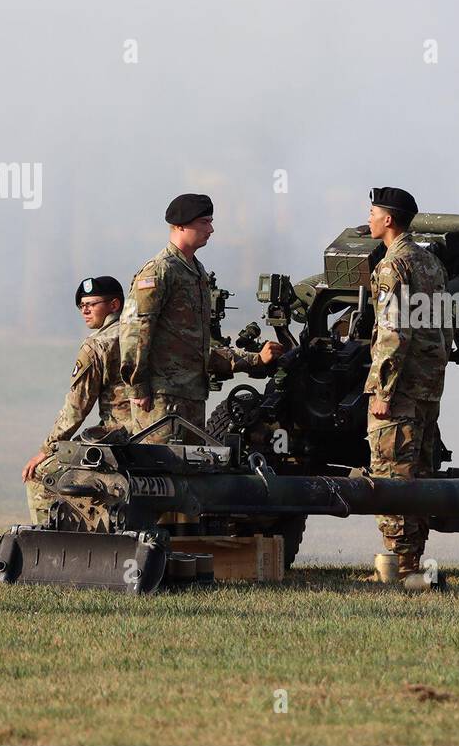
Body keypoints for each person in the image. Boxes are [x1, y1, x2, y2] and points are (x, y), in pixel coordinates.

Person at [119, 193, 282, 444]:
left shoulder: (196, 271)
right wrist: (137, 387)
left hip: (192, 396)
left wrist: (255, 360)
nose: (211, 229)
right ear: (180, 225)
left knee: (191, 476)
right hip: (162, 399)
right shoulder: (159, 272)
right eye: (204, 222)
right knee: (160, 473)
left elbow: (198, 345)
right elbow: (135, 332)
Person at [364, 187, 449, 584]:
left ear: (389, 221)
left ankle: (397, 567)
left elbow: (393, 333)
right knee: (419, 472)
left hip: (400, 390)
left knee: (392, 473)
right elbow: (444, 327)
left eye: (373, 212)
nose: (369, 218)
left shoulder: (392, 266)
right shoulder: (430, 262)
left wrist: (383, 391)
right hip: (428, 387)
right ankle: (412, 561)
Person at [22, 276, 129, 525]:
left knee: (40, 475)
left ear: (114, 305)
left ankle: (49, 545)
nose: (85, 310)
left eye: (92, 303)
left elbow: (76, 408)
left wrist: (46, 450)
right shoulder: (150, 337)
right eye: (82, 305)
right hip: (160, 435)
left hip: (119, 440)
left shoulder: (98, 345)